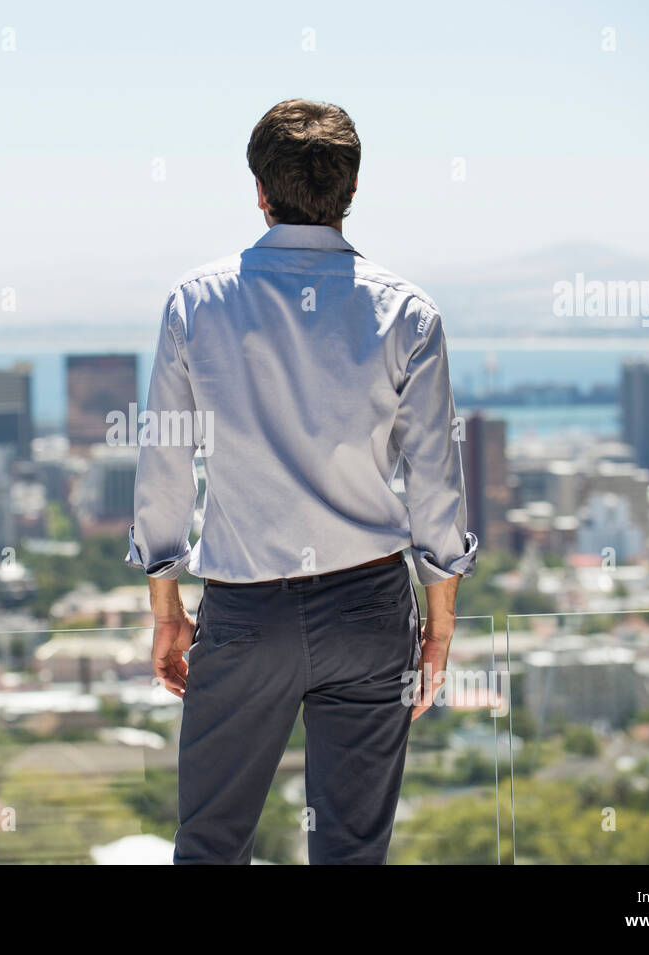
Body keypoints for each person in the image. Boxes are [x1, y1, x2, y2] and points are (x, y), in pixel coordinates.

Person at [125, 98, 477, 864]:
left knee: (212, 845)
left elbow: (165, 466)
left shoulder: (197, 302)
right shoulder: (409, 313)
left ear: (259, 190)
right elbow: (435, 484)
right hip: (369, 610)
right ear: (351, 190)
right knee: (352, 851)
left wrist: (165, 604)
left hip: (247, 612)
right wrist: (440, 620)